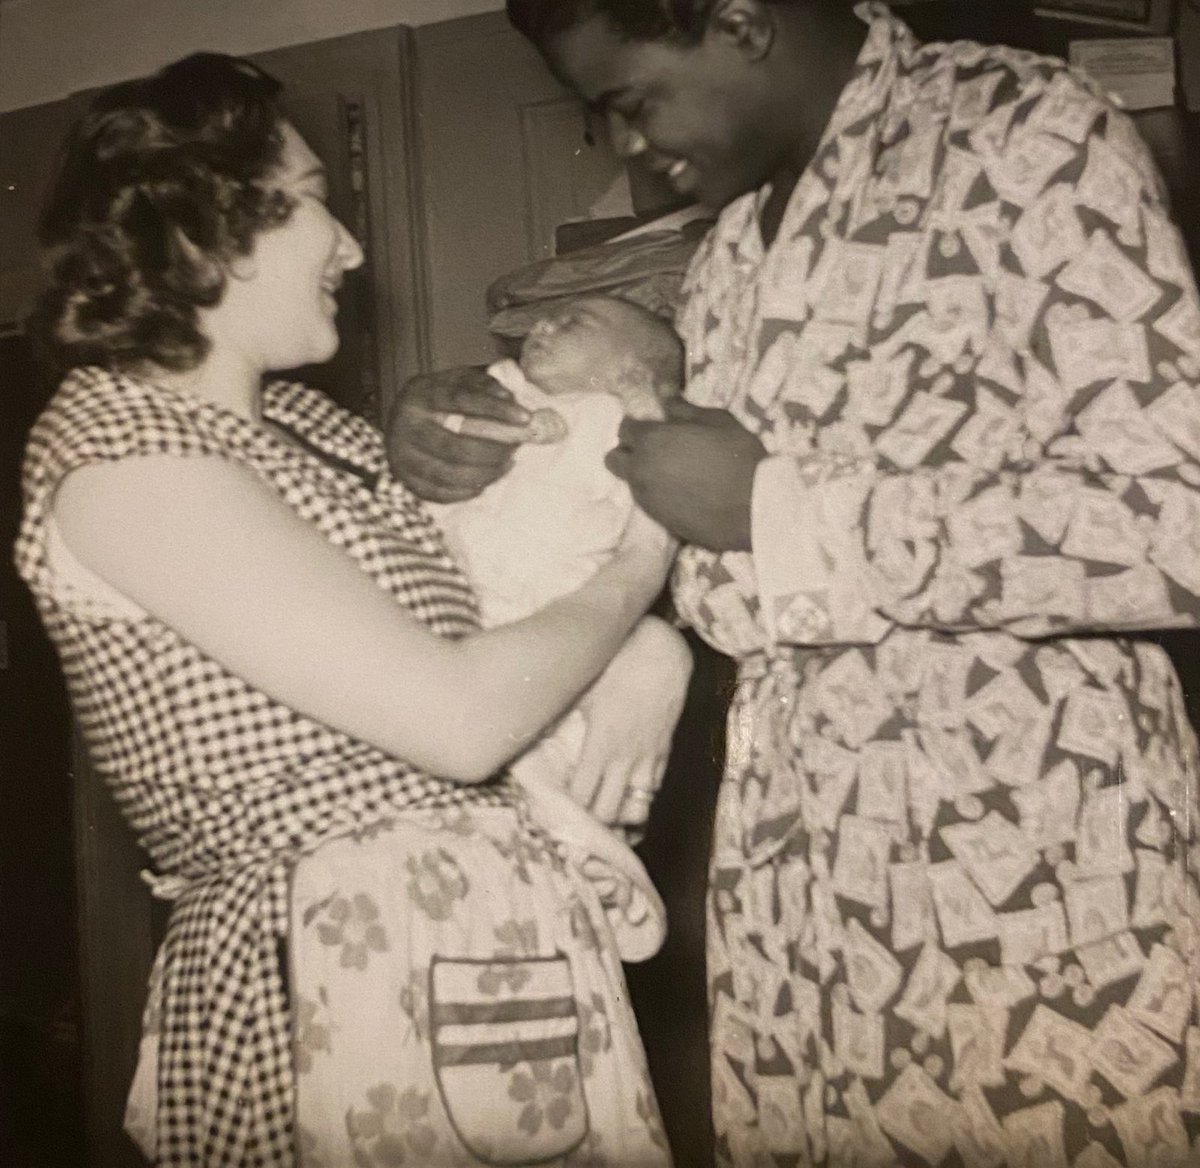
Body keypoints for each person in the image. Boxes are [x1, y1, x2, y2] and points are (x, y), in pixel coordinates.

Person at [386, 2, 1200, 1165]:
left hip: (1025, 887)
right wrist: (474, 441)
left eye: (631, 101)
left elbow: (1174, 518)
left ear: (739, 20)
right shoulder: (728, 249)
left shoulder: (1021, 132)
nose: (625, 146)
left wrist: (786, 510)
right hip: (794, 898)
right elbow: (690, 528)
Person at [14, 52, 684, 1168]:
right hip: (340, 978)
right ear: (206, 227)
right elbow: (459, 718)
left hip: (481, 943)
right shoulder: (123, 461)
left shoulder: (313, 431)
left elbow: (510, 603)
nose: (352, 247)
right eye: (314, 200)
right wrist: (647, 557)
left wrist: (651, 654)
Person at [426, 295, 687, 825]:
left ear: (629, 367)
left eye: (573, 322)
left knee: (561, 743)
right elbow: (450, 424)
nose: (543, 327)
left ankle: (571, 832)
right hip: (460, 585)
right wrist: (510, 426)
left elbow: (663, 474)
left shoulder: (625, 420)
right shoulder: (507, 389)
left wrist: (646, 409)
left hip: (556, 605)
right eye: (545, 320)